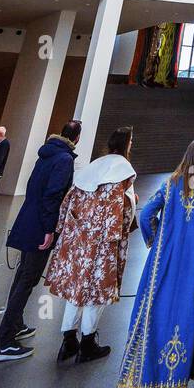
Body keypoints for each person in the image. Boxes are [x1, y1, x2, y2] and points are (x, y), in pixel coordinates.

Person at [101, 137, 194, 388]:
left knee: (149, 318)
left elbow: (145, 216)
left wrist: (157, 242)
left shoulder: (172, 183)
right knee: (186, 320)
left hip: (163, 266)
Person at [0, 121, 81, 363]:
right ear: (76, 138)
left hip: (28, 221)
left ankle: (16, 323)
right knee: (27, 280)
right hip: (41, 227)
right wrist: (50, 229)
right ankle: (5, 342)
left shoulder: (47, 154)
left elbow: (34, 188)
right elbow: (53, 195)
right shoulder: (65, 160)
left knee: (22, 275)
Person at [46, 127, 137, 366]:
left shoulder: (92, 168)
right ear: (127, 144)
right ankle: (87, 342)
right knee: (96, 293)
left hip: (78, 241)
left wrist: (64, 233)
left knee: (76, 290)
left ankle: (68, 340)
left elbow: (68, 203)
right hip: (104, 244)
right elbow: (123, 213)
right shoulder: (122, 174)